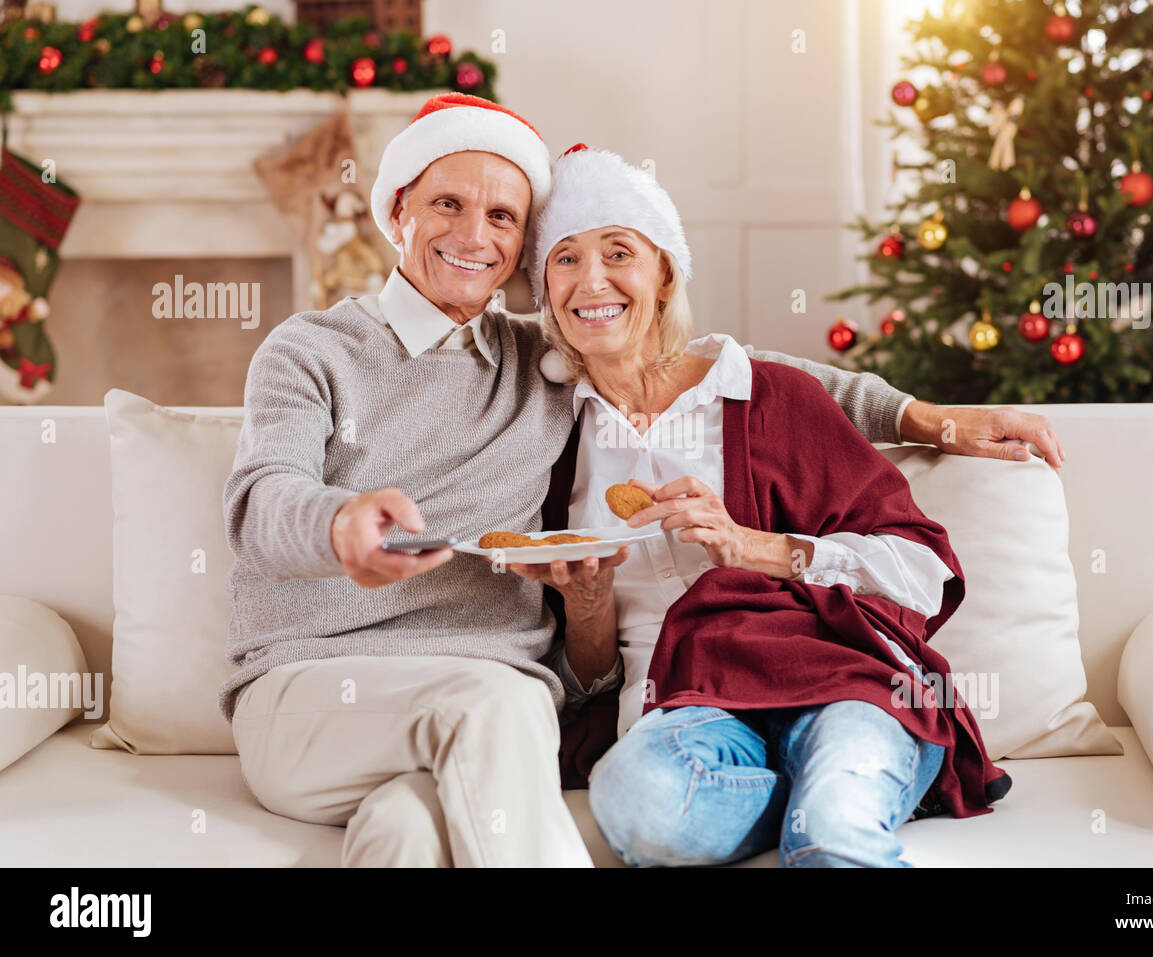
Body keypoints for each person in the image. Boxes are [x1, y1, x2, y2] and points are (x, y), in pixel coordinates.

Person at [220, 93, 1049, 869]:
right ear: (398, 210)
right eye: (447, 204)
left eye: (502, 216)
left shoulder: (536, 360)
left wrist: (928, 418)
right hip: (322, 692)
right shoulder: (312, 350)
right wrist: (340, 527)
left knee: (406, 830)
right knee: (501, 703)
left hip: (467, 726)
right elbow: (263, 499)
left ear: (518, 253)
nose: (474, 233)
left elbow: (747, 378)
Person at [506, 145, 1010, 868]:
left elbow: (924, 573)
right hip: (682, 707)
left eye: (619, 252)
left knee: (836, 832)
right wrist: (587, 609)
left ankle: (834, 799)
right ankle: (815, 795)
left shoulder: (767, 396)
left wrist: (753, 545)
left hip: (839, 678)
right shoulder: (556, 442)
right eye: (565, 259)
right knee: (638, 803)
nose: (593, 281)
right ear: (544, 288)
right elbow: (590, 677)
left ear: (664, 273)